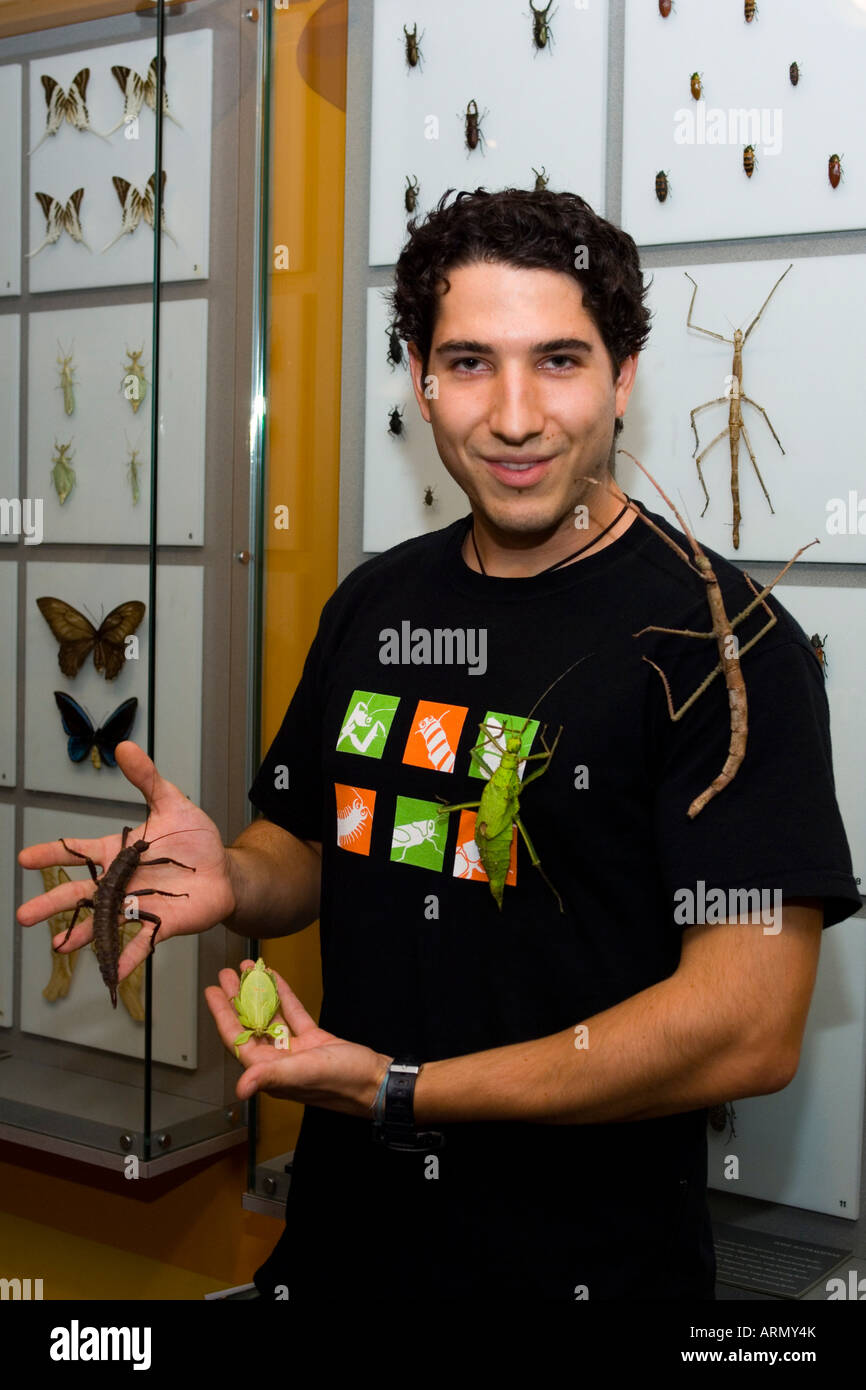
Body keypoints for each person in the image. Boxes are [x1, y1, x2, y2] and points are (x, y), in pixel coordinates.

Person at [18, 188, 860, 1303]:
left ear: (624, 375)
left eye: (558, 359)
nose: (513, 415)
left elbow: (744, 1031)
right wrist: (235, 873)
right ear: (417, 375)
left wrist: (403, 1090)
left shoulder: (725, 643)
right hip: (342, 1251)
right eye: (467, 362)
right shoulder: (375, 603)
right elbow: (310, 846)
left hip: (583, 1275)